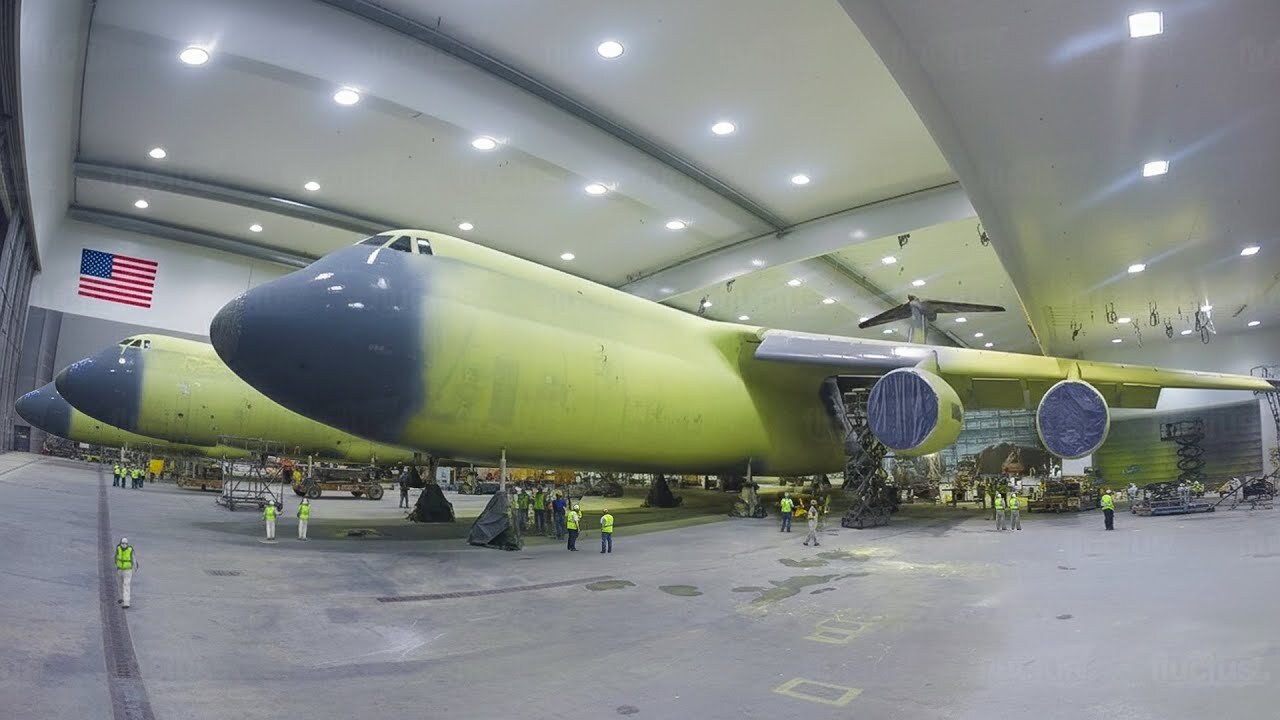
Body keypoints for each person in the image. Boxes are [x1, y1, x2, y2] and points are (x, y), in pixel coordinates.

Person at [115, 537, 135, 608]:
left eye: (125, 543)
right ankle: (121, 598)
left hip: (128, 570)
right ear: (120, 543)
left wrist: (133, 570)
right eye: (123, 543)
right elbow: (116, 557)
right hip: (120, 570)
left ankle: (126, 602)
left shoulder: (130, 550)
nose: (124, 544)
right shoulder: (118, 548)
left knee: (126, 585)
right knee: (120, 584)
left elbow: (134, 560)